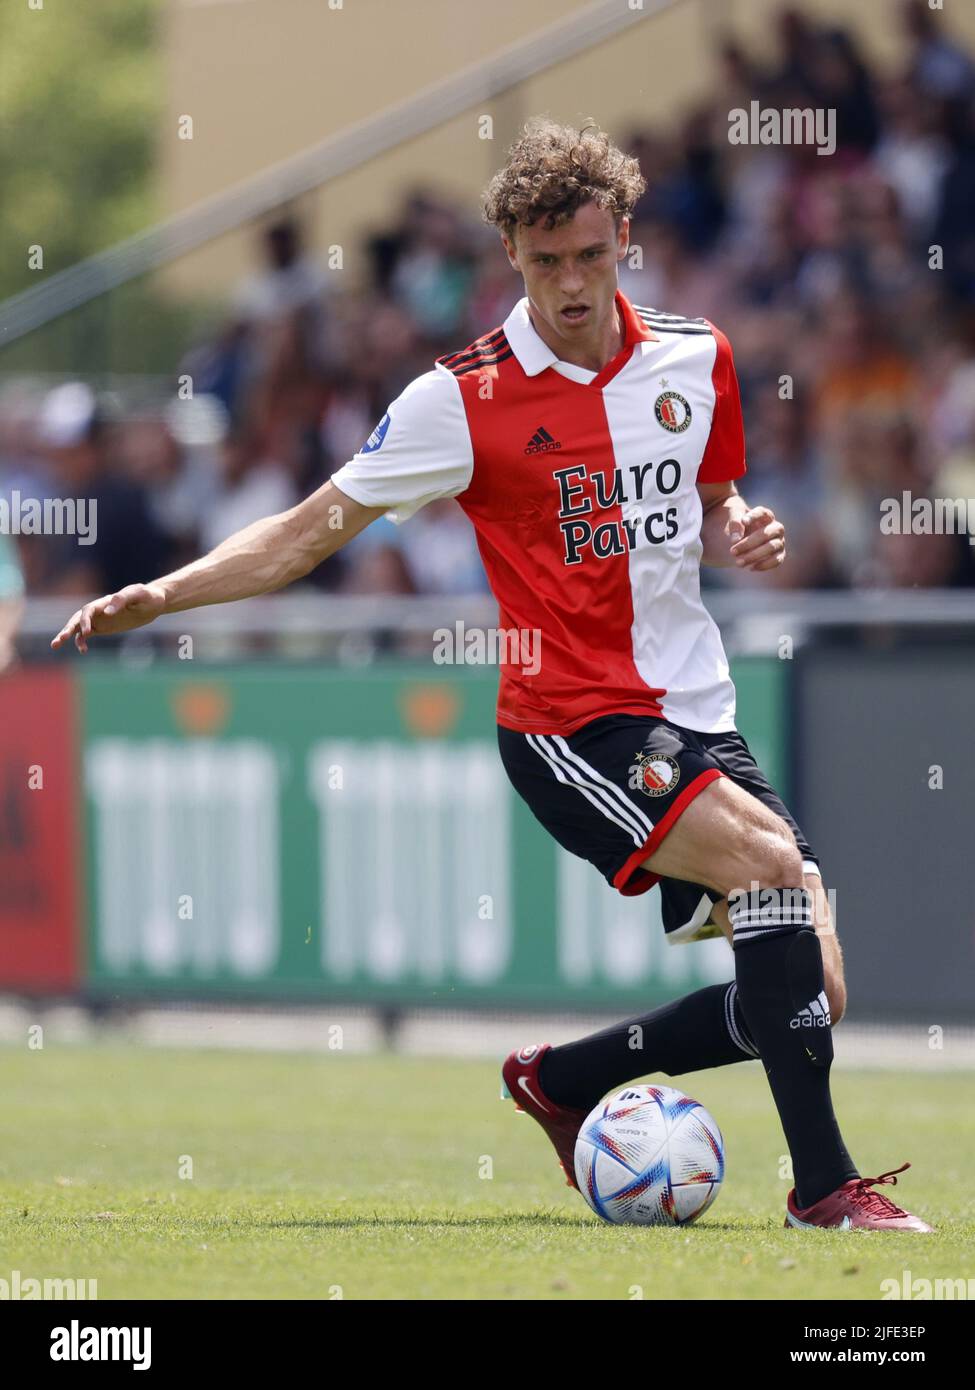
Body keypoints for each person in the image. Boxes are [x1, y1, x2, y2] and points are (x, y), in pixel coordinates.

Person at [51, 120, 931, 1232]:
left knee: (810, 985)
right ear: (510, 252)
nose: (570, 284)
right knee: (764, 867)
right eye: (545, 259)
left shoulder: (695, 355)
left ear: (625, 241)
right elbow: (307, 530)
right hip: (569, 721)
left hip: (698, 707)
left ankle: (562, 1080)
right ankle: (824, 1190)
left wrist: (741, 527)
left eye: (590, 256)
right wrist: (163, 595)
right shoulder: (459, 398)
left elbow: (707, 508)